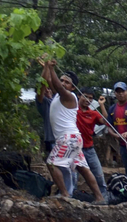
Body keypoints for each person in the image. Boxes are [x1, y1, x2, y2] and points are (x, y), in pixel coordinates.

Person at [38, 60, 102, 202]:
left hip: (67, 138)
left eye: (66, 82)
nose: (63, 83)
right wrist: (47, 67)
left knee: (52, 163)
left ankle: (65, 193)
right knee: (82, 168)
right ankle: (99, 197)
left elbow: (58, 86)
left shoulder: (69, 96)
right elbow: (48, 81)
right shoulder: (57, 97)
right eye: (61, 80)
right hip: (73, 138)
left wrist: (52, 69)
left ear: (73, 88)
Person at [75, 91, 107, 200]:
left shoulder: (93, 114)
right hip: (75, 149)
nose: (87, 100)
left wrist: (101, 104)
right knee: (73, 175)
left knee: (98, 174)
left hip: (89, 148)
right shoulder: (72, 110)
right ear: (79, 95)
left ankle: (104, 197)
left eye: (90, 98)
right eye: (85, 96)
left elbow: (105, 121)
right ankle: (72, 197)